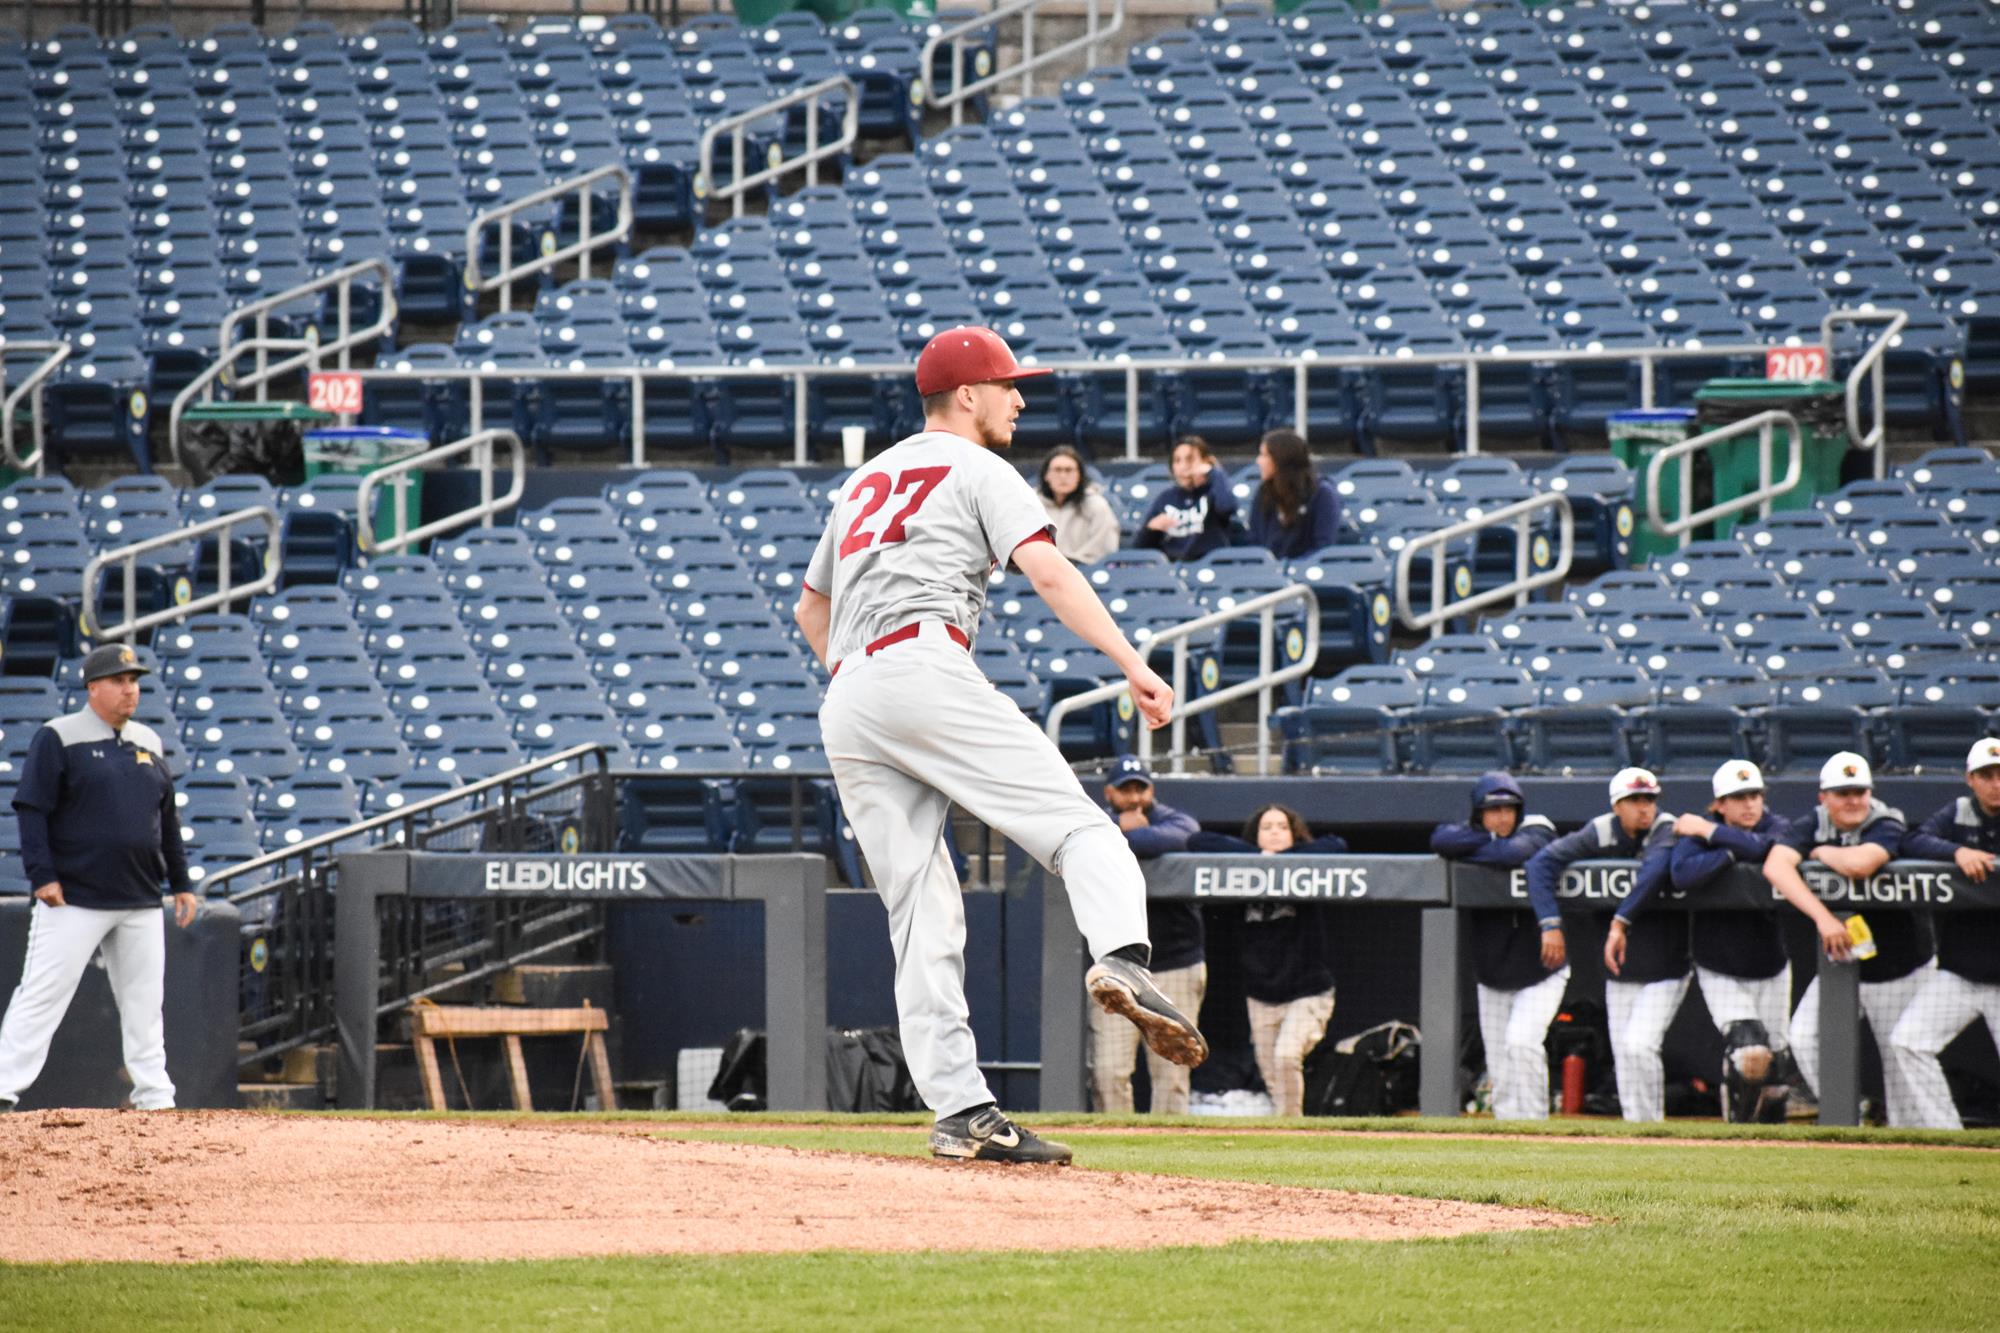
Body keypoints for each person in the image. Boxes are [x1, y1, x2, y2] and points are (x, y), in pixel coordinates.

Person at [796, 325, 1207, 1165]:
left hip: (851, 691)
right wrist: (1133, 663)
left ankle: (961, 1114)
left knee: (920, 913)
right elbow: (1050, 571)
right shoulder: (979, 466)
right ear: (967, 395)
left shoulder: (864, 479)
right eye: (1008, 385)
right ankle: (1123, 957)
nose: (1019, 399)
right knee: (1079, 827)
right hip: (921, 661)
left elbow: (810, 608)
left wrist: (862, 682)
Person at [0, 644, 199, 1113]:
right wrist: (42, 875)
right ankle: (3, 1086)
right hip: (74, 897)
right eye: (119, 680)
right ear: (93, 687)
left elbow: (165, 819)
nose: (130, 689)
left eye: (134, 680)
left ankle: (155, 1097)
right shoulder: (59, 736)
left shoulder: (148, 740)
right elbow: (32, 809)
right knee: (42, 995)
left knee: (145, 1003)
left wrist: (181, 882)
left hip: (140, 895)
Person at [1764, 751, 1931, 1127]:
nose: (1853, 800)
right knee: (1803, 1035)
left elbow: (1860, 864)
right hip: (1842, 959)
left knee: (1899, 1062)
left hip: (1899, 966)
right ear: (1824, 797)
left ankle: (1914, 1139)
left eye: (1859, 791)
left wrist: (1821, 851)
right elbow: (1775, 866)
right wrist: (1823, 918)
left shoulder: (1886, 818)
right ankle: (1847, 1112)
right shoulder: (1813, 822)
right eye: (1843, 793)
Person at [1645, 761, 1798, 1122]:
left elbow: (1772, 846)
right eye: (1738, 797)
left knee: (1776, 1075)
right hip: (1719, 965)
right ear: (1719, 804)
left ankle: (1774, 1145)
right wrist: (1731, 851)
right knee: (1750, 1055)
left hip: (1772, 965)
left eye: (1755, 795)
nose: (1749, 805)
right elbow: (1682, 874)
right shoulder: (1694, 835)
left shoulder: (1773, 825)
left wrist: (1713, 834)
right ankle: (1737, 1134)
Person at [1527, 768, 1678, 1122]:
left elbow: (1655, 871)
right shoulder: (1601, 830)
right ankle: (1636, 1130)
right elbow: (1540, 864)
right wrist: (1550, 923)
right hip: (1620, 965)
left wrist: (1620, 921)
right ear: (1616, 806)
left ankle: (1650, 1127)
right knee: (1625, 1053)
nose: (1644, 808)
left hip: (1666, 964)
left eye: (1649, 799)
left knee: (1639, 1045)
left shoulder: (1666, 827)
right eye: (1634, 800)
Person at [1189, 804, 1342, 1117]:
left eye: (1282, 827)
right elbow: (1198, 841)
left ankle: (1294, 1131)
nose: (1275, 832)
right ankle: (1287, 1131)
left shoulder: (1308, 864)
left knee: (1286, 1056)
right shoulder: (1245, 865)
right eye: (1267, 827)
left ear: (1294, 834)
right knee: (1271, 1072)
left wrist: (1282, 859)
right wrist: (1258, 857)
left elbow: (1337, 845)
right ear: (1255, 835)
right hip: (1261, 994)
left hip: (1308, 992)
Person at [1429, 771, 1559, 1119]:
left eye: (1508, 809)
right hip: (1493, 974)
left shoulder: (1538, 827)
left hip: (1541, 968)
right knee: (1500, 1062)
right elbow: (1441, 840)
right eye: (1494, 810)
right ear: (1479, 813)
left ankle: (1536, 1125)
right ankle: (1507, 1131)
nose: (1503, 817)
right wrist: (1486, 841)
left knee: (1522, 1041)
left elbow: (1513, 853)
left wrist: (1474, 850)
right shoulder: (1468, 831)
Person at [1886, 737, 2000, 1129]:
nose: (1996, 783)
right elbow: (1912, 840)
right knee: (1908, 1041)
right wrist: (1957, 853)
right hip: (1961, 974)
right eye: (1987, 775)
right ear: (1970, 779)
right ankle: (1947, 1132)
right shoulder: (1959, 813)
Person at [1093, 756, 1204, 1115]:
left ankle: (1170, 1145)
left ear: (1151, 790)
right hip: (1116, 969)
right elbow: (1084, 838)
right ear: (1109, 793)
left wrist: (1123, 835)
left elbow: (1187, 834)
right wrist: (1121, 828)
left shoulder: (1172, 818)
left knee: (1172, 1074)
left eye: (1140, 788)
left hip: (1176, 963)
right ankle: (1115, 1145)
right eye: (1125, 790)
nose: (1134, 797)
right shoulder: (1096, 820)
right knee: (1110, 1072)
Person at [1133, 436, 1236, 562]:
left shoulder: (1215, 492)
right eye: (1177, 461)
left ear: (1205, 463)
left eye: (1190, 459)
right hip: (1172, 568)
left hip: (1211, 565)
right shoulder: (1166, 498)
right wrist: (1151, 530)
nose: (1183, 466)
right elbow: (1138, 550)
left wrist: (1215, 473)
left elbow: (1228, 507)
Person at [1244, 428, 1342, 561]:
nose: (1258, 461)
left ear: (1281, 459)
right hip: (1267, 571)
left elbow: (1323, 547)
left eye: (1264, 455)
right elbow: (1254, 542)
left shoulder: (1322, 493)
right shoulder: (1264, 492)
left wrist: (1290, 567)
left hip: (1307, 570)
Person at [1037, 445, 1120, 565]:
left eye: (1069, 470)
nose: (1063, 476)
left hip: (1083, 570)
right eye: (1057, 470)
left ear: (1079, 476)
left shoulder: (1097, 506)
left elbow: (1104, 549)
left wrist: (1068, 565)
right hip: (1037, 570)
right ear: (1046, 475)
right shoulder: (1032, 505)